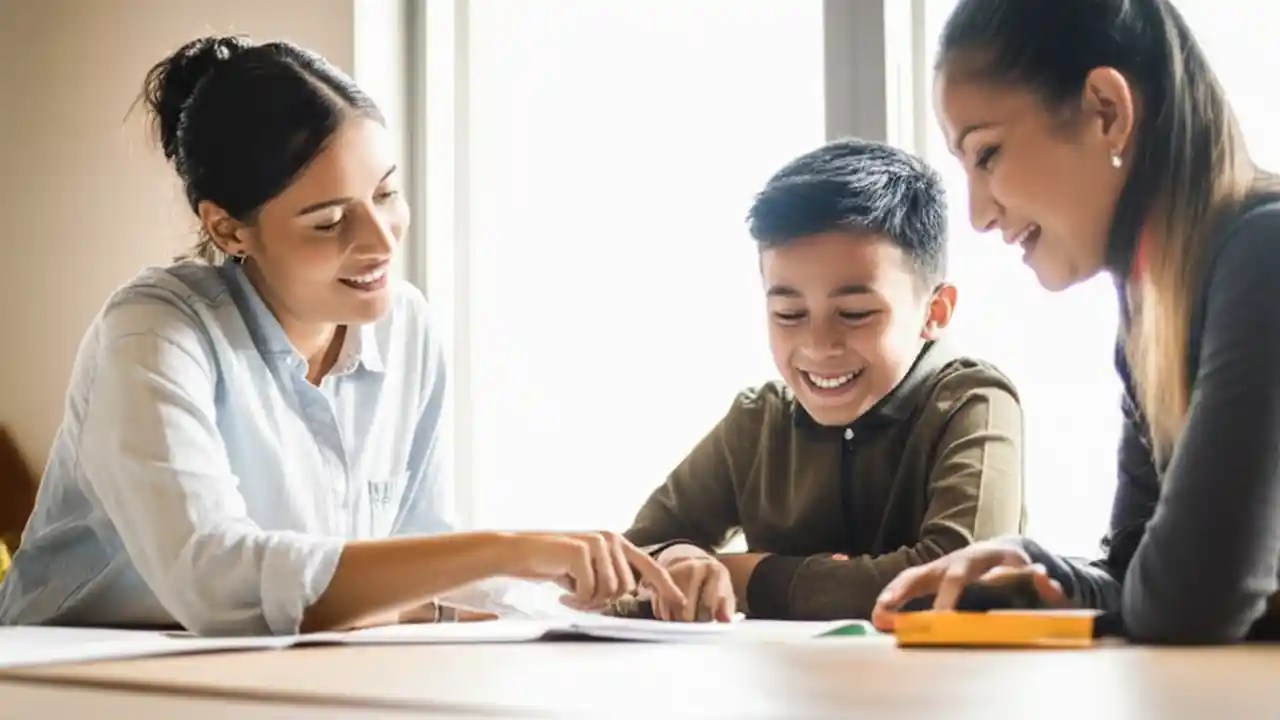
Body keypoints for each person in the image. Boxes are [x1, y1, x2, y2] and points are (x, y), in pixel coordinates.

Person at [0, 35, 683, 636]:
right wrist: (508, 549)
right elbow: (217, 582)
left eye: (386, 195)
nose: (380, 242)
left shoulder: (407, 329)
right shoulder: (154, 332)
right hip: (65, 685)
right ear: (228, 229)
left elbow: (421, 558)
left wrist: (628, 584)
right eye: (330, 221)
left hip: (279, 675)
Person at [872, 0, 1280, 643]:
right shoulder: (1152, 311)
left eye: (987, 154)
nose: (979, 214)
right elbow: (1138, 574)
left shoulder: (1264, 255)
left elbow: (1190, 600)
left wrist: (1134, 586)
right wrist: (1040, 569)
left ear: (1106, 111)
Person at [623, 139, 1026, 622]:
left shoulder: (972, 401)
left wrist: (746, 576)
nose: (818, 346)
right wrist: (679, 560)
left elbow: (956, 581)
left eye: (854, 314)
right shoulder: (758, 418)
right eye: (789, 313)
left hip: (935, 694)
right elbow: (632, 560)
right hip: (785, 694)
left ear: (934, 311)